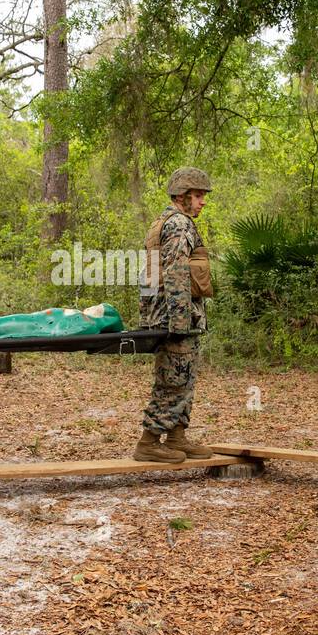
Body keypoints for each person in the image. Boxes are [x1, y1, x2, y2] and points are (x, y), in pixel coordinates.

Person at [134, 167, 216, 463]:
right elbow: (175, 272)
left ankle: (177, 436)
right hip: (175, 317)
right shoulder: (179, 224)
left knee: (184, 377)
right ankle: (149, 441)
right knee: (174, 379)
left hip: (170, 315)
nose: (203, 202)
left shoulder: (164, 222)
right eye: (198, 196)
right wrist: (179, 322)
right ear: (183, 196)